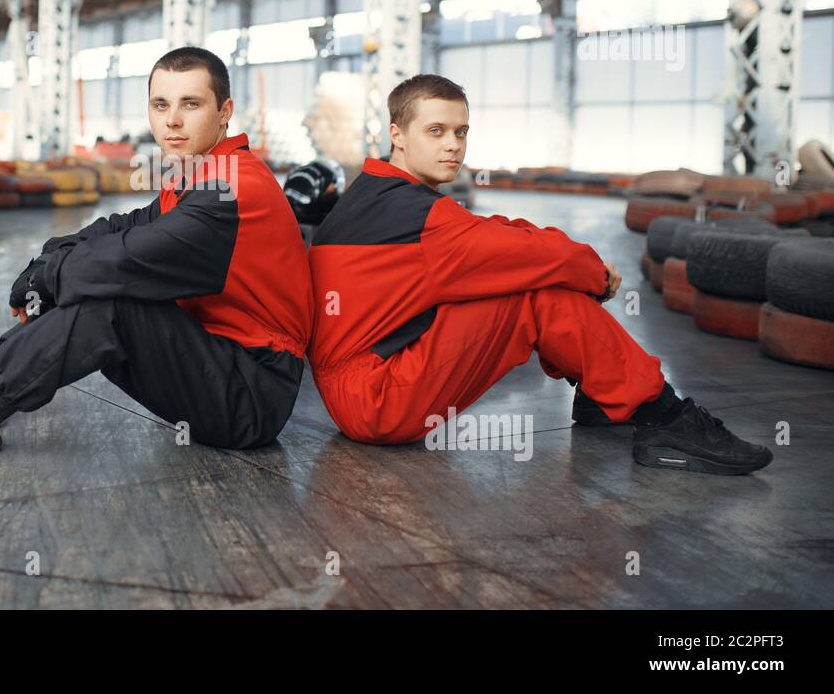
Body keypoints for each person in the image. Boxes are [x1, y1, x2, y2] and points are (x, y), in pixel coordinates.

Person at [306, 73, 773, 476]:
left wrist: (571, 263)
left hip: (359, 383)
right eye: (436, 130)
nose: (453, 145)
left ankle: (601, 392)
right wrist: (594, 274)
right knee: (538, 295)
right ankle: (665, 417)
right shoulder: (420, 219)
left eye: (461, 131)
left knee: (527, 272)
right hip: (377, 399)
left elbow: (495, 233)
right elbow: (527, 254)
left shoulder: (379, 192)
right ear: (398, 134)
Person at [0, 47, 314, 461]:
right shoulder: (198, 175)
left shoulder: (234, 187)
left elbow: (131, 258)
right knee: (92, 274)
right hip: (215, 362)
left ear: (225, 113)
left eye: (191, 105)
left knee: (111, 299)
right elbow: (120, 227)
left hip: (251, 394)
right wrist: (47, 261)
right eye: (161, 105)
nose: (173, 121)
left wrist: (49, 277)